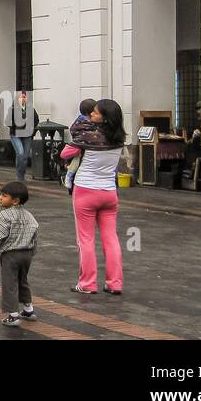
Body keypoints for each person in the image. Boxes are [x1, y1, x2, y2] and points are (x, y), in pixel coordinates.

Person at [59, 99, 125, 295]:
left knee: (86, 239)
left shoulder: (87, 137)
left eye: (95, 113)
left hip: (86, 191)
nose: (92, 115)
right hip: (109, 193)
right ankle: (115, 283)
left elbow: (64, 153)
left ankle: (87, 283)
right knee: (111, 238)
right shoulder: (119, 138)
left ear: (104, 117)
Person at [0, 180, 39, 328]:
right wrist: (32, 252)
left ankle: (13, 315)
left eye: (4, 195)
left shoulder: (4, 215)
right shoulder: (29, 216)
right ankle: (28, 309)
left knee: (9, 283)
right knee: (22, 280)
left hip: (11, 255)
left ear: (15, 201)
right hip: (27, 254)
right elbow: (35, 234)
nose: (0, 197)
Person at [6, 90, 38, 182]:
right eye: (21, 97)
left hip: (27, 135)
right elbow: (7, 121)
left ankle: (22, 175)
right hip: (16, 134)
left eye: (24, 97)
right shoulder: (12, 109)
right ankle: (19, 176)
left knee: (25, 156)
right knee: (20, 153)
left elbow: (36, 120)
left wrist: (32, 129)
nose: (23, 99)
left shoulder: (31, 109)